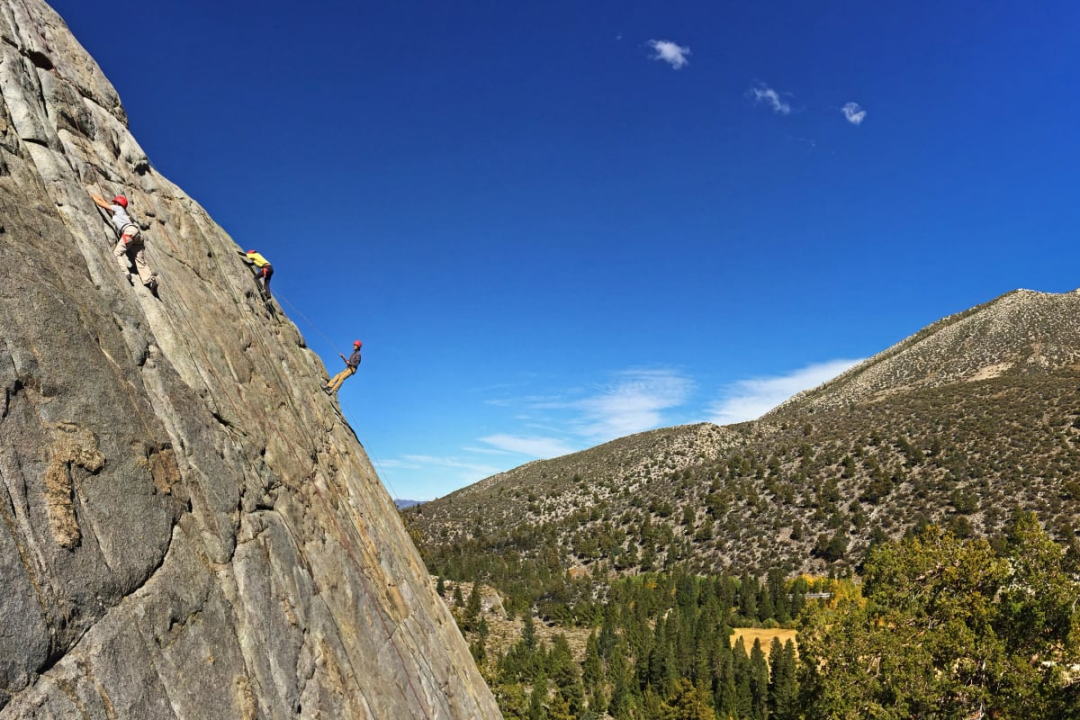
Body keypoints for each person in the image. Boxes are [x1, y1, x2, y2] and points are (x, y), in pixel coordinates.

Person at [90, 193, 158, 290]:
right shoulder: (123, 213)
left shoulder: (118, 209)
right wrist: (99, 197)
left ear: (117, 204)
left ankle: (126, 273)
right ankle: (150, 281)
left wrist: (93, 197)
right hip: (137, 235)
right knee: (140, 260)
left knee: (117, 253)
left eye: (115, 203)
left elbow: (103, 205)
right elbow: (105, 204)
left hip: (129, 232)